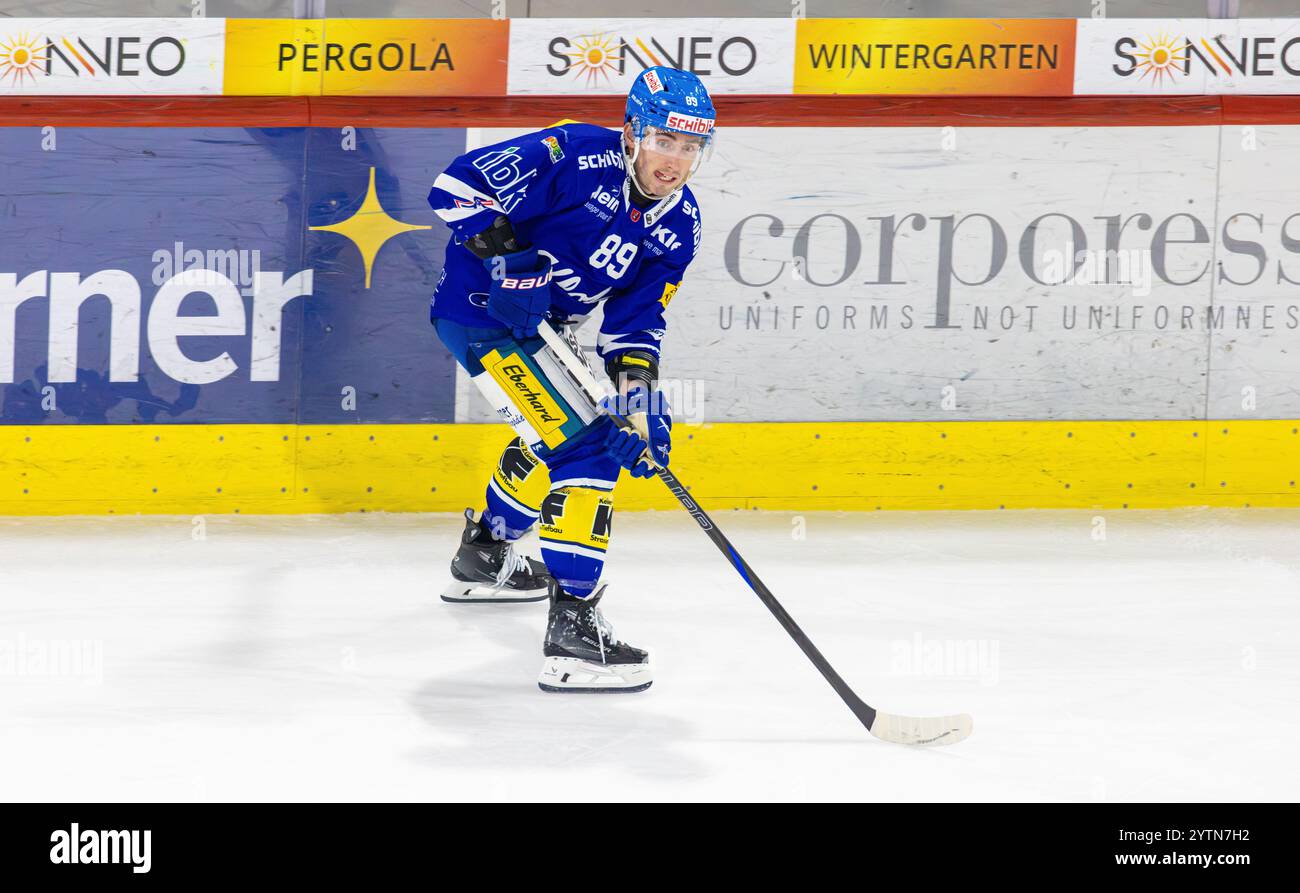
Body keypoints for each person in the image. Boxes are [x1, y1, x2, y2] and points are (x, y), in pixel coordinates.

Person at [427, 66, 715, 693]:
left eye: (691, 147)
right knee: (584, 446)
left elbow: (635, 328)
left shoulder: (681, 223)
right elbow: (454, 188)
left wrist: (639, 405)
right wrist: (510, 257)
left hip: (547, 333)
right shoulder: (574, 152)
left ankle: (486, 555)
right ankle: (574, 635)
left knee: (563, 432)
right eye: (665, 140)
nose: (675, 160)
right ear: (633, 132)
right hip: (482, 319)